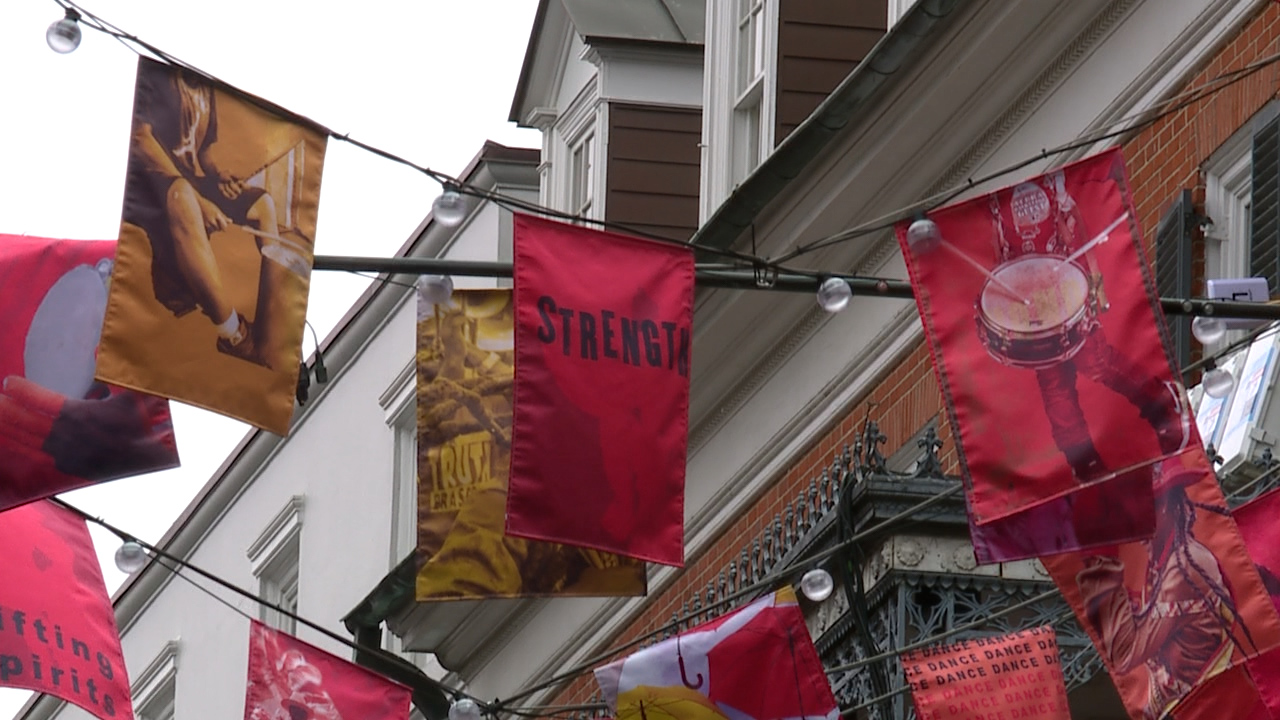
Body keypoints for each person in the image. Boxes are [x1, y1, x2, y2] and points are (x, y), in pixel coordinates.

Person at [985, 169, 1190, 481]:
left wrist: (1094, 280)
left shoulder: (1054, 192)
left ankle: (1161, 404)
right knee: (1054, 386)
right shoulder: (998, 210)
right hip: (1035, 305)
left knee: (1096, 360)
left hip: (1067, 287)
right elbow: (1002, 261)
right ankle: (1083, 461)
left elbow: (1074, 229)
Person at [125, 60, 281, 368]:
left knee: (263, 204)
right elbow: (141, 138)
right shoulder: (160, 78)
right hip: (157, 185)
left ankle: (271, 322)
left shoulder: (206, 89)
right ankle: (235, 335)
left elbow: (202, 150)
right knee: (183, 195)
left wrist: (220, 175)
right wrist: (198, 198)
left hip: (193, 180)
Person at [1075, 463, 1246, 719]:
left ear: (1164, 507)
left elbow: (1124, 653)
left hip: (1199, 708)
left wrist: (1102, 560)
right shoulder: (1165, 561)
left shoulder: (1183, 567)